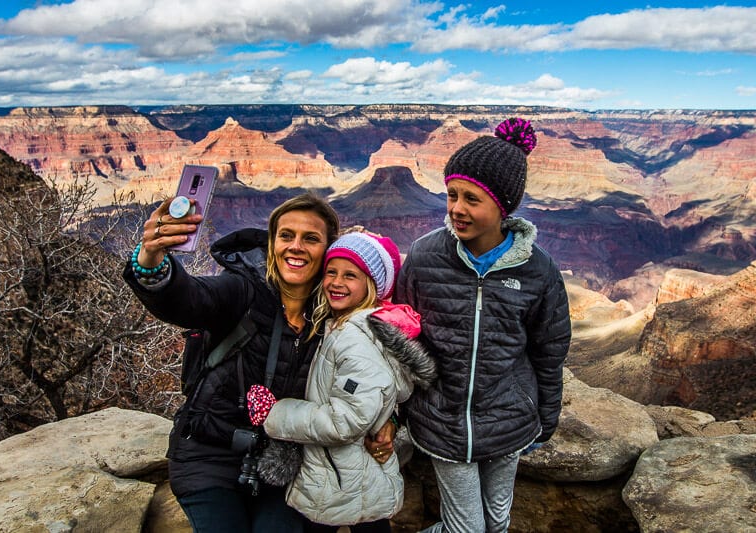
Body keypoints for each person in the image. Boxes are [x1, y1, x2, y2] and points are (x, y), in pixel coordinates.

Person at [123, 193, 394, 532]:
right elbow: (189, 299)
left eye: (310, 238)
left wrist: (390, 420)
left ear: (327, 252)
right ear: (272, 243)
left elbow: (381, 372)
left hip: (282, 465)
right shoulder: (243, 290)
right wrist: (151, 259)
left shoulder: (335, 315)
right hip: (210, 457)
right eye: (286, 236)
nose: (295, 246)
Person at [393, 118, 572, 533]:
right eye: (452, 194)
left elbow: (549, 349)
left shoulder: (537, 270)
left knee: (497, 522)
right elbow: (402, 336)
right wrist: (397, 411)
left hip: (509, 420)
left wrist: (546, 417)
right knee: (466, 530)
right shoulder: (424, 256)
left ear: (502, 207)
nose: (456, 208)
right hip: (443, 421)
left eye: (472, 199)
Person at [255, 230, 437, 532]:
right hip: (352, 478)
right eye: (331, 272)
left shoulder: (356, 338)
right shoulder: (343, 325)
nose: (336, 282)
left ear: (373, 285)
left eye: (350, 275)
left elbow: (348, 419)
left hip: (341, 481)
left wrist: (275, 414)